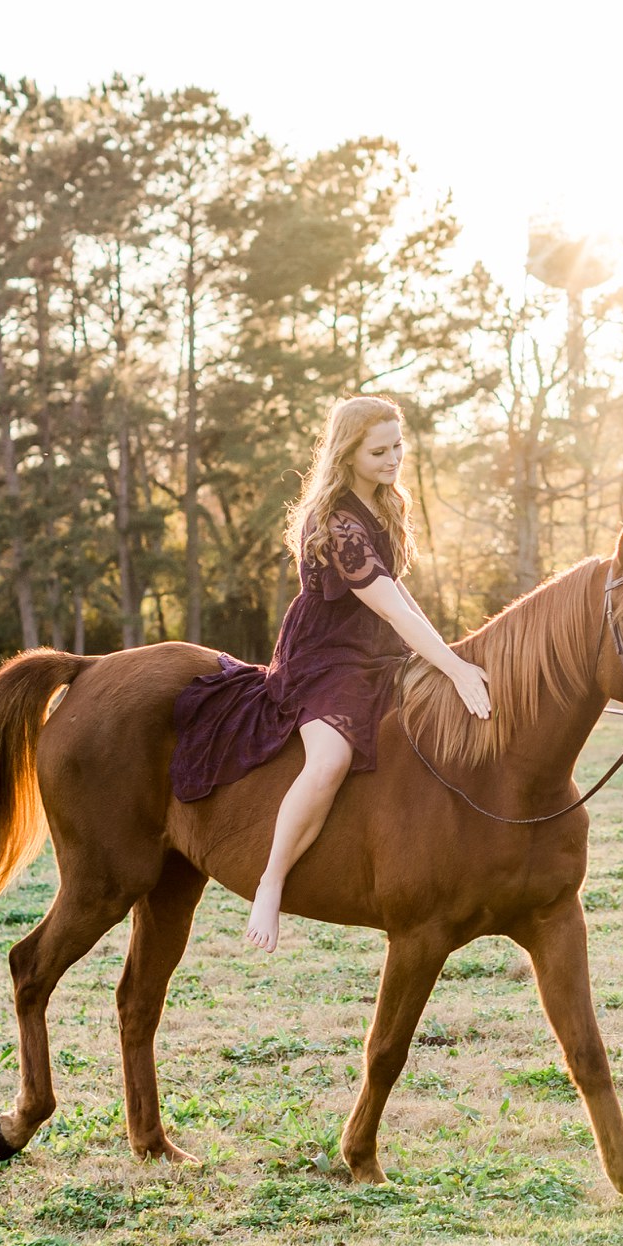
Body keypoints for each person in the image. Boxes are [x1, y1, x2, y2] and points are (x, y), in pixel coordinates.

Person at [169, 395, 491, 951]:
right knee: (330, 759)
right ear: (348, 452)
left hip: (376, 650)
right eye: (379, 450)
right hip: (326, 658)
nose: (394, 459)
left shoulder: (389, 502)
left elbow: (399, 595)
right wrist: (454, 666)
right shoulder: (337, 519)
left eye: (398, 446)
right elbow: (387, 606)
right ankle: (271, 882)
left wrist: (448, 654)